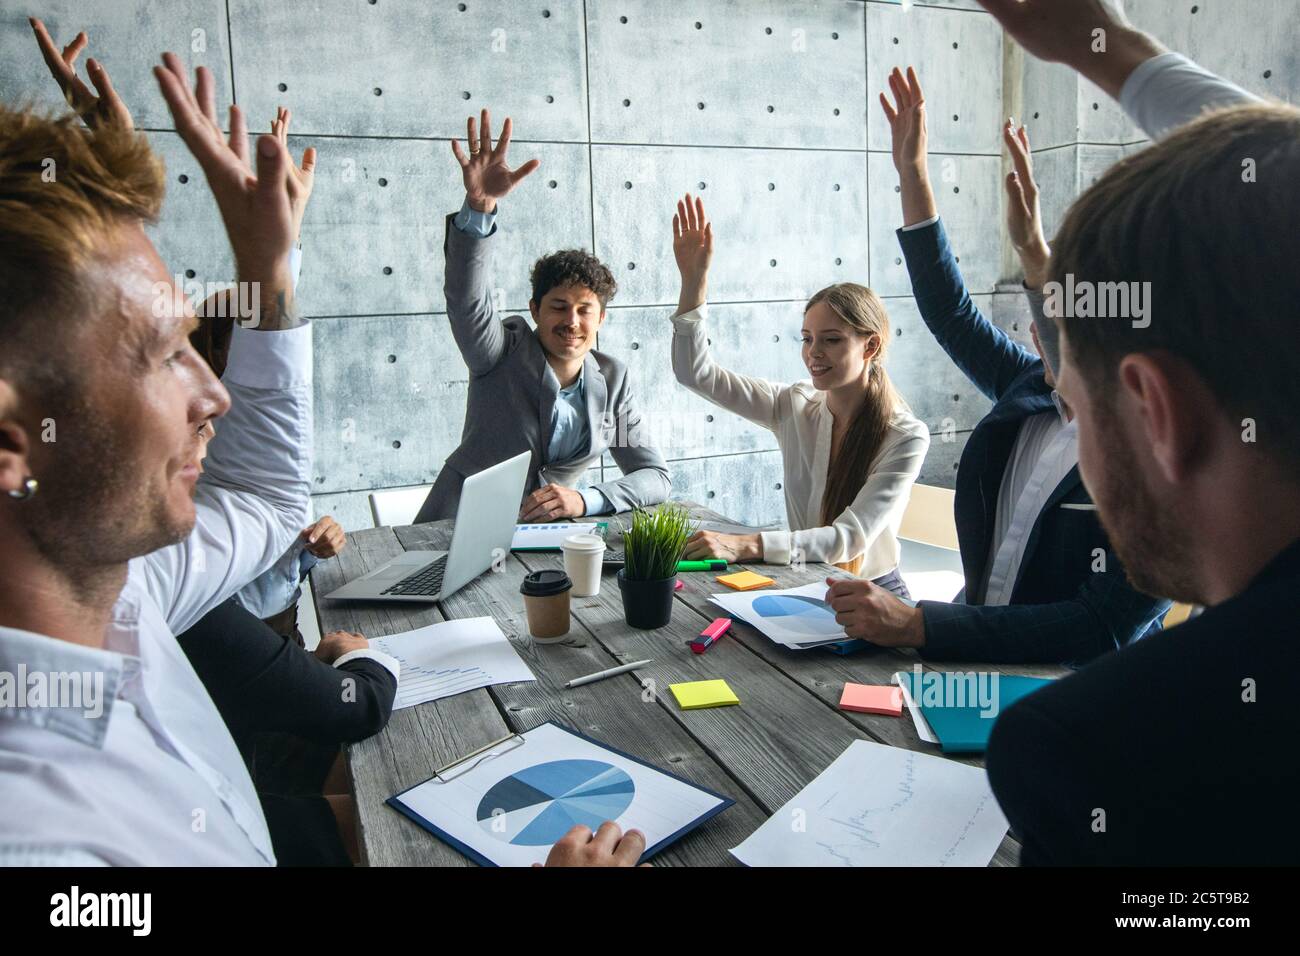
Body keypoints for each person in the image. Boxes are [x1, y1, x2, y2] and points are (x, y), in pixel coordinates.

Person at [970, 0, 1297, 864]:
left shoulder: (1100, 756)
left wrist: (1110, 52)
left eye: (1077, 407)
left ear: (1156, 411)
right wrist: (1115, 54)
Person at [0, 40, 317, 864]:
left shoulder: (125, 584)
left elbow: (268, 500)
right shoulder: (42, 848)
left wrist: (266, 268)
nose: (214, 396)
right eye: (163, 353)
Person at [825, 67, 1170, 664]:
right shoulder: (1029, 385)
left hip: (1076, 705)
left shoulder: (1159, 455)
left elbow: (1102, 627)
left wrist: (920, 626)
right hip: (972, 669)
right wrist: (913, 176)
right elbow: (949, 312)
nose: (1045, 330)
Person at [413, 109, 671, 524]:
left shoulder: (614, 381)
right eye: (558, 306)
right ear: (534, 310)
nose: (572, 321)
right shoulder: (500, 353)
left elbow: (653, 476)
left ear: (600, 319)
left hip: (548, 543)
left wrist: (584, 500)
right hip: (458, 530)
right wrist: (479, 207)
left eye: (585, 310)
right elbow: (466, 299)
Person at [668, 193, 930, 588]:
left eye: (831, 340)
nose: (813, 354)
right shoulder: (792, 403)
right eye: (807, 339)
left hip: (875, 592)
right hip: (806, 582)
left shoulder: (905, 435)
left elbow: (848, 540)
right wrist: (694, 282)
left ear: (871, 346)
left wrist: (745, 544)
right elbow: (695, 373)